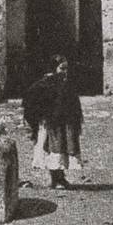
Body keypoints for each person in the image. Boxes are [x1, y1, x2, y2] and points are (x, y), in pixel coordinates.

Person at [23, 54, 84, 189]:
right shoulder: (45, 83)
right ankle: (55, 179)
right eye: (62, 68)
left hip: (64, 123)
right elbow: (31, 99)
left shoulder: (65, 83)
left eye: (67, 68)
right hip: (51, 125)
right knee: (53, 149)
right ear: (54, 68)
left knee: (62, 149)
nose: (65, 72)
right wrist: (41, 116)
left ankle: (61, 178)